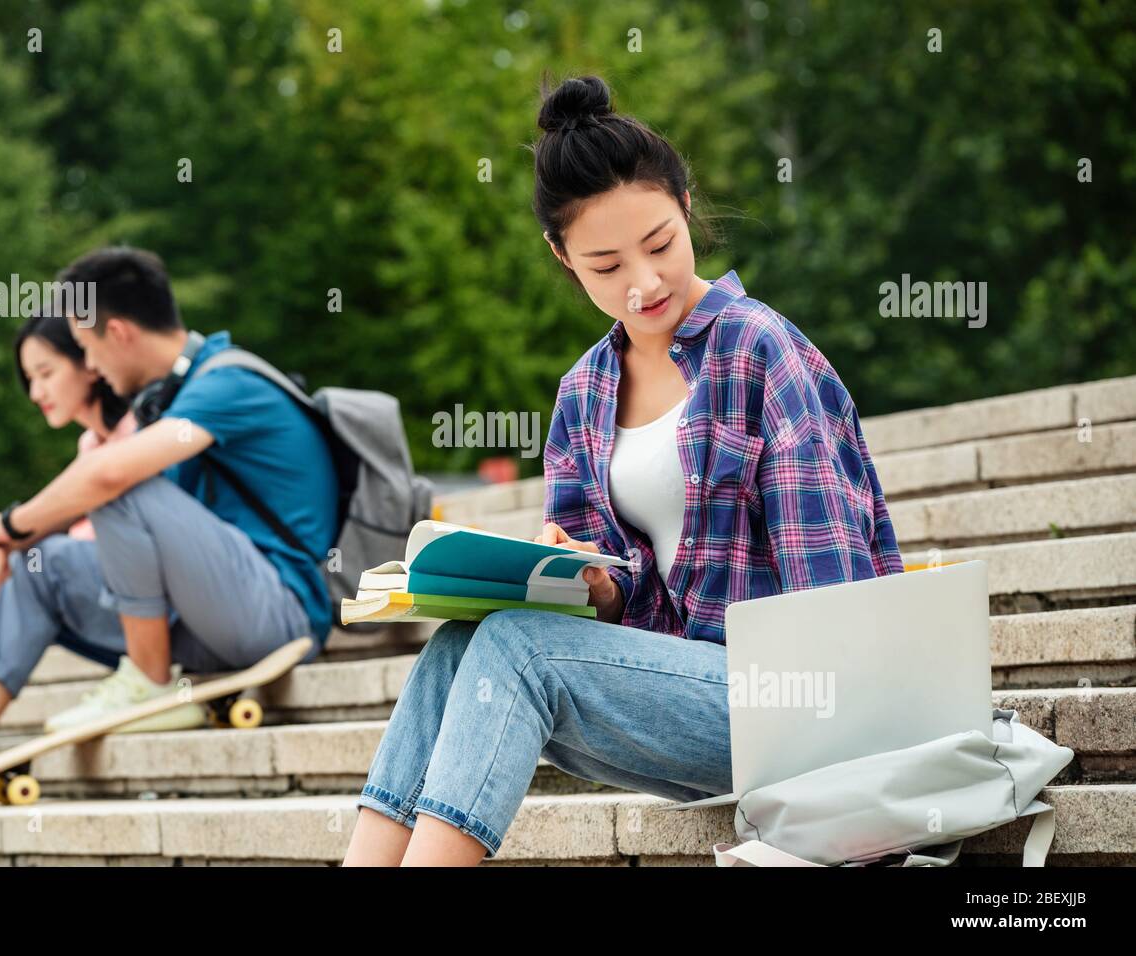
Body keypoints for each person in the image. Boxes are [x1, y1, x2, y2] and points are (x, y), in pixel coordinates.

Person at [343, 75, 905, 865]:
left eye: (660, 245)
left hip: (803, 701)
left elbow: (837, 599)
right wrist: (590, 587)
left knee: (516, 650)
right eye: (605, 265)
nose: (642, 284)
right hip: (687, 700)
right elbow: (615, 623)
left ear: (685, 202)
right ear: (562, 258)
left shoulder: (759, 350)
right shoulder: (583, 393)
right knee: (454, 649)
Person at [0, 247, 338, 810]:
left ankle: (147, 679)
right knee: (41, 564)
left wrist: (5, 525)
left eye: (88, 349)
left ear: (119, 332)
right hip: (212, 617)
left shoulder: (228, 383)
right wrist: (0, 539)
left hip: (279, 613)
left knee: (117, 479)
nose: (92, 368)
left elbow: (109, 476)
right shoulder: (175, 397)